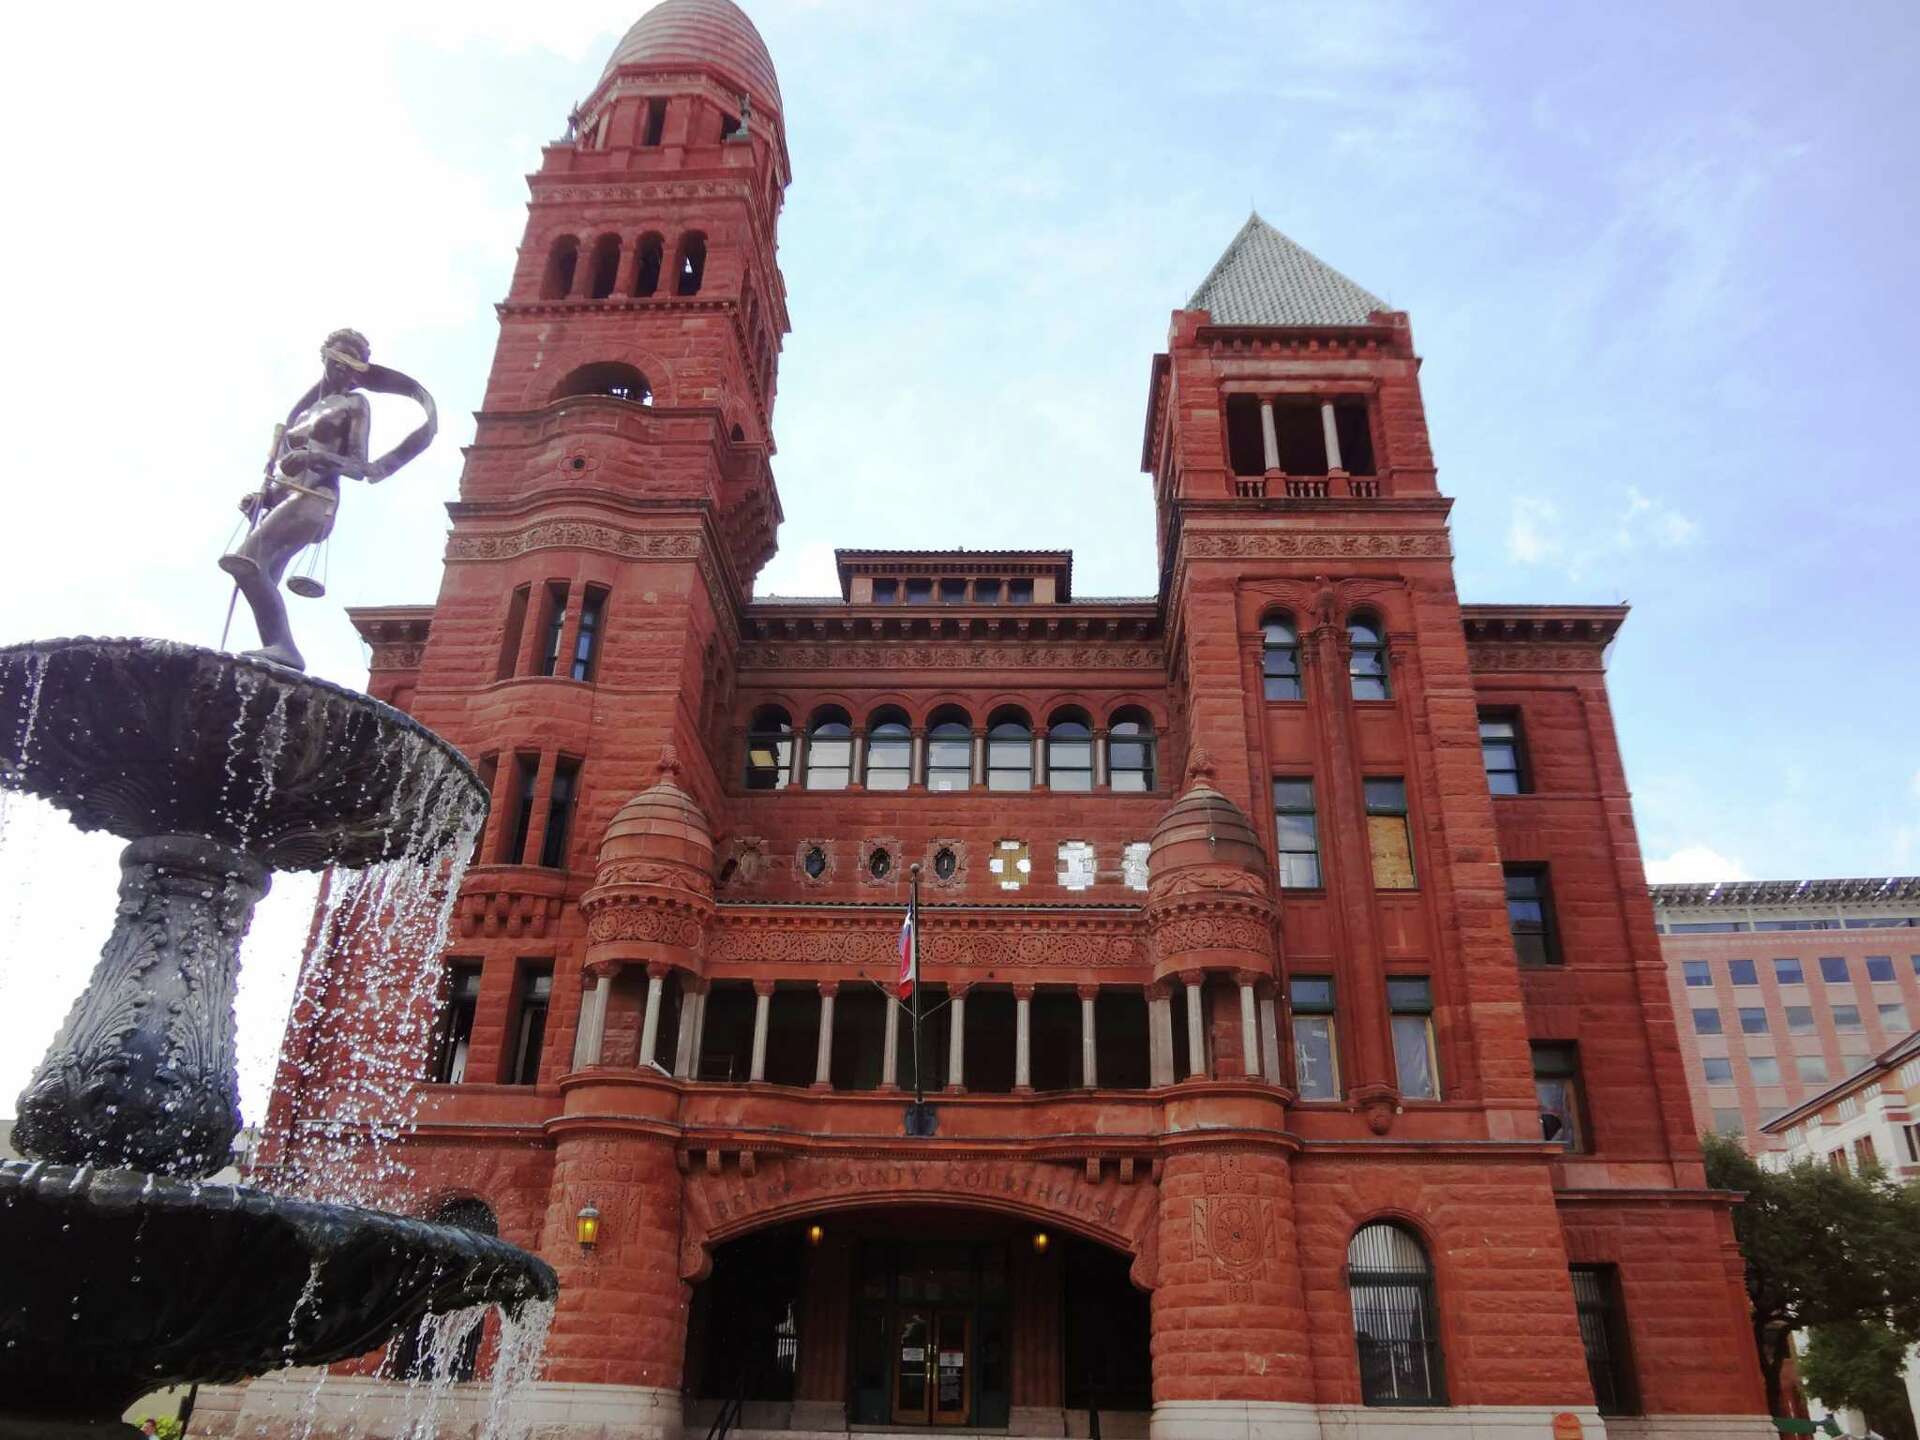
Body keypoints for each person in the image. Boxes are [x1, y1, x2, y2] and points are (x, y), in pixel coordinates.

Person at [217, 328, 435, 671]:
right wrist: (264, 498)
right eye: (338, 357)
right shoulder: (305, 412)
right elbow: (286, 471)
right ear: (325, 358)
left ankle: (284, 647)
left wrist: (313, 457)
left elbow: (358, 467)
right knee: (262, 573)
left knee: (248, 560)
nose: (343, 366)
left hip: (316, 499)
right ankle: (276, 649)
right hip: (290, 496)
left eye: (352, 361)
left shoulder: (354, 404)